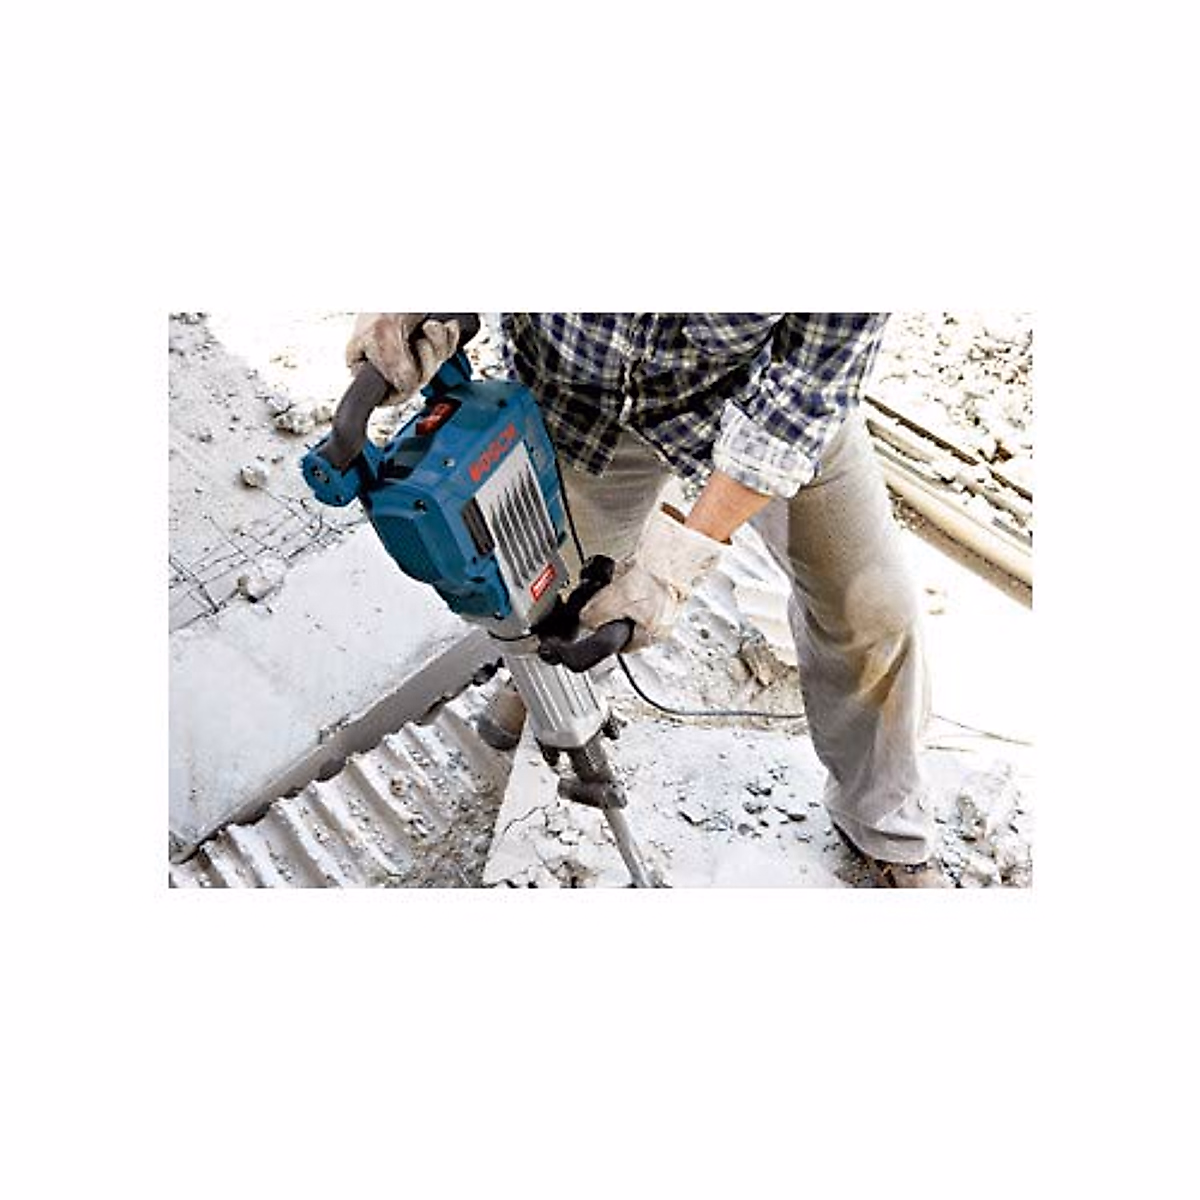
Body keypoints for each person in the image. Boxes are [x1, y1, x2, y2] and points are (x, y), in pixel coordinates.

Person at [345, 313, 947, 887]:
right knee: (556, 602)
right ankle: (543, 696)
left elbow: (801, 399)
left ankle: (884, 824)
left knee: (873, 609)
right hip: (580, 401)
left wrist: (679, 561)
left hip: (759, 393)